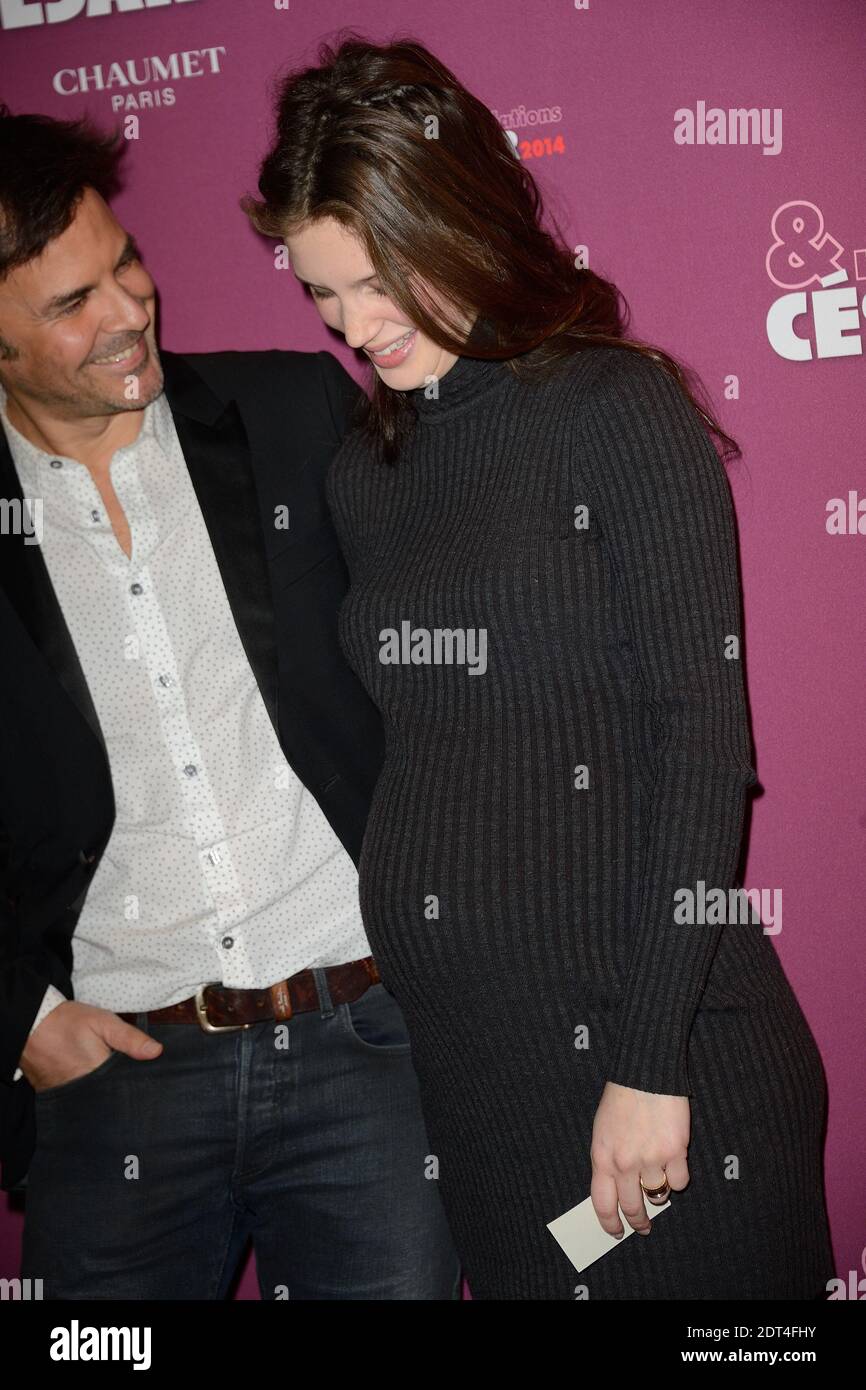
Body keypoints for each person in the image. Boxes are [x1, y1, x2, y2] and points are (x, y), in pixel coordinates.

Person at [242, 33, 836, 1300]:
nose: (355, 325)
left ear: (455, 221)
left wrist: (648, 1062)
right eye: (323, 293)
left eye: (378, 279)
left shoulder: (612, 410)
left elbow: (703, 745)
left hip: (661, 1057)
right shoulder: (367, 469)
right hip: (473, 1074)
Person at [0, 105, 460, 1301]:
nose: (128, 312)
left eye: (126, 266)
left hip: (367, 1037)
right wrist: (18, 1018)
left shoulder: (291, 412)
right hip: (115, 1078)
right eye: (68, 305)